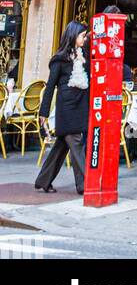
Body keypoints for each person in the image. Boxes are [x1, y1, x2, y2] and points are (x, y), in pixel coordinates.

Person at [35, 22, 90, 196]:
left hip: (80, 105)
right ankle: (85, 184)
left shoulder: (84, 55)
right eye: (82, 35)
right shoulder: (59, 59)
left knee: (61, 145)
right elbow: (50, 87)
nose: (85, 38)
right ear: (73, 35)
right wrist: (43, 113)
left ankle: (43, 181)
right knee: (76, 143)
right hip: (66, 107)